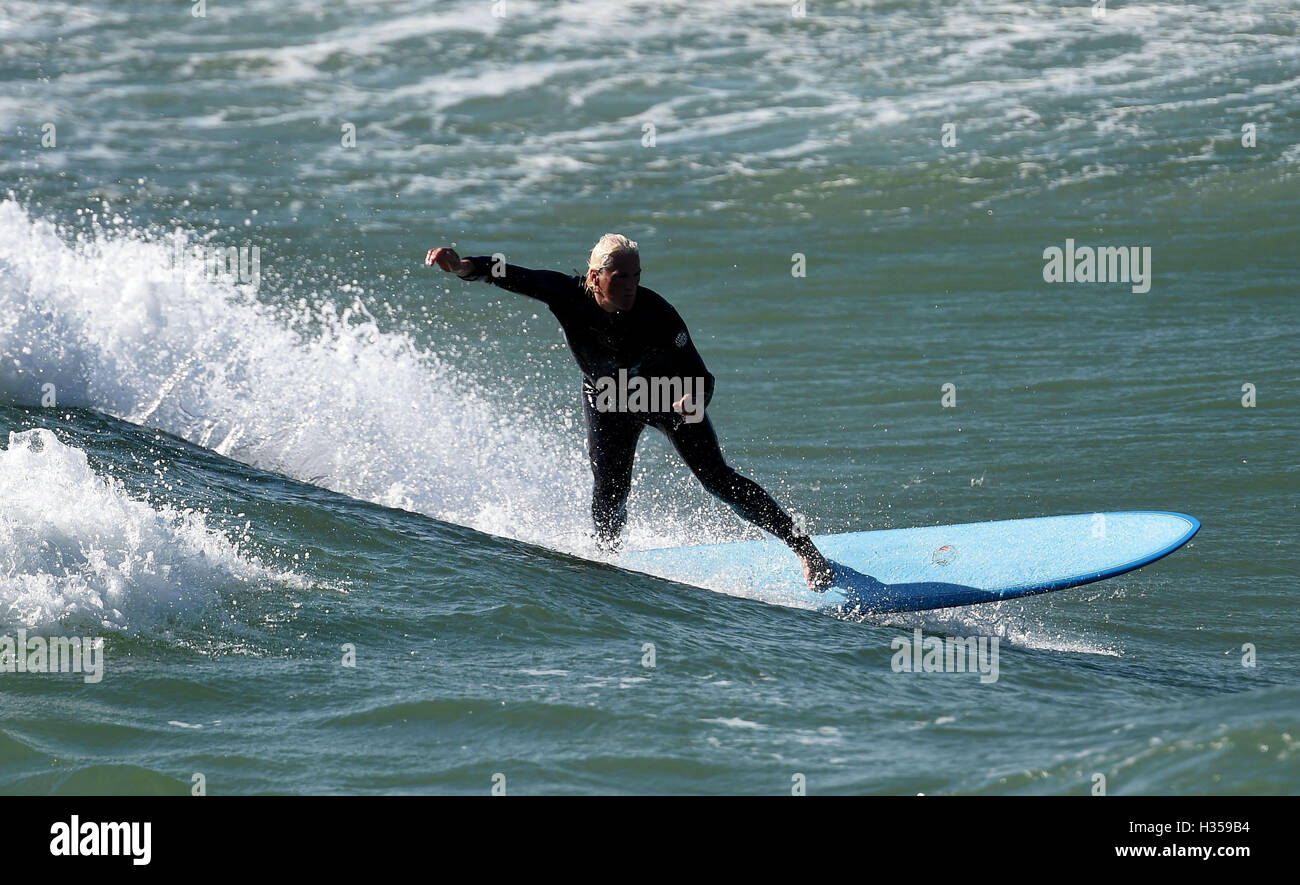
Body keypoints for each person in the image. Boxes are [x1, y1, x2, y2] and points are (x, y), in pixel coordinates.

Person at [425, 234, 833, 591]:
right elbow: (508, 272)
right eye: (621, 277)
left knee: (718, 479)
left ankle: (806, 550)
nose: (631, 286)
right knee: (609, 493)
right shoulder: (566, 294)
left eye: (636, 276)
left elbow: (700, 374)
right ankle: (607, 560)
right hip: (607, 398)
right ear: (594, 278)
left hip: (665, 395)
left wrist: (693, 400)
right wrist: (461, 267)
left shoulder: (657, 313)